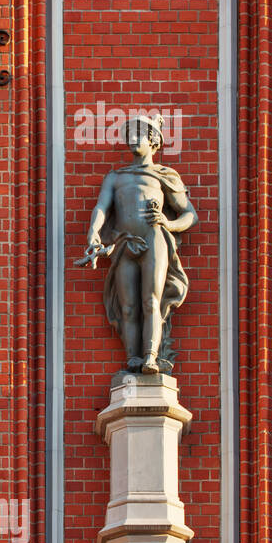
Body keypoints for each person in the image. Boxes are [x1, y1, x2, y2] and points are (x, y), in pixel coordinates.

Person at [81, 114, 197, 374]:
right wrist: (93, 233)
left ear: (154, 140)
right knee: (128, 306)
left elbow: (190, 214)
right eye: (130, 134)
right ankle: (133, 357)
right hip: (124, 242)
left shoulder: (163, 176)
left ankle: (150, 356)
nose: (133, 139)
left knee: (151, 300)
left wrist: (168, 224)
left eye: (139, 134)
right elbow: (102, 207)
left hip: (154, 237)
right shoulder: (116, 177)